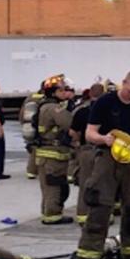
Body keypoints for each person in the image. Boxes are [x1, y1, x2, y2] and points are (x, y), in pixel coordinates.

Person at [72, 71, 130, 259]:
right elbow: (90, 133)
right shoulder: (105, 102)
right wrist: (104, 139)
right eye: (129, 91)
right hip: (107, 157)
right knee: (100, 204)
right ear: (123, 83)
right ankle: (89, 255)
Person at [35, 75, 75, 225]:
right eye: (61, 90)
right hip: (53, 154)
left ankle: (47, 213)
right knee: (55, 185)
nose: (64, 93)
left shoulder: (43, 105)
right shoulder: (53, 108)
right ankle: (53, 216)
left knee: (47, 185)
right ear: (53, 92)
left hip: (46, 152)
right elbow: (69, 123)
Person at [69, 82, 105, 229]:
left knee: (85, 183)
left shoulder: (81, 111)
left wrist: (79, 143)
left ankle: (83, 216)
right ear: (103, 94)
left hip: (85, 151)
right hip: (103, 151)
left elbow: (72, 133)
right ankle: (102, 217)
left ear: (90, 94)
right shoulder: (108, 110)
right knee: (103, 184)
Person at [21, 81, 46, 180]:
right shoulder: (44, 98)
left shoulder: (30, 97)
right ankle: (32, 171)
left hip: (28, 124)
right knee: (37, 148)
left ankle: (32, 171)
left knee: (33, 147)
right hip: (38, 124)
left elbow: (23, 111)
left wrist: (22, 123)